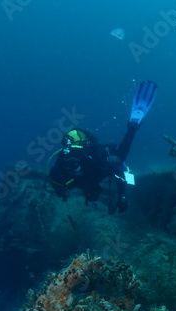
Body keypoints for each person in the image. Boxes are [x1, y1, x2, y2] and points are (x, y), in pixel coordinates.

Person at [47, 80, 157, 214]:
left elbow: (118, 173)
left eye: (75, 165)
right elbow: (54, 180)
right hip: (92, 175)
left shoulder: (91, 160)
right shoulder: (60, 168)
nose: (75, 169)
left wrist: (122, 195)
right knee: (91, 184)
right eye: (71, 167)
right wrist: (62, 194)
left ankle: (132, 127)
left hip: (104, 157)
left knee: (119, 159)